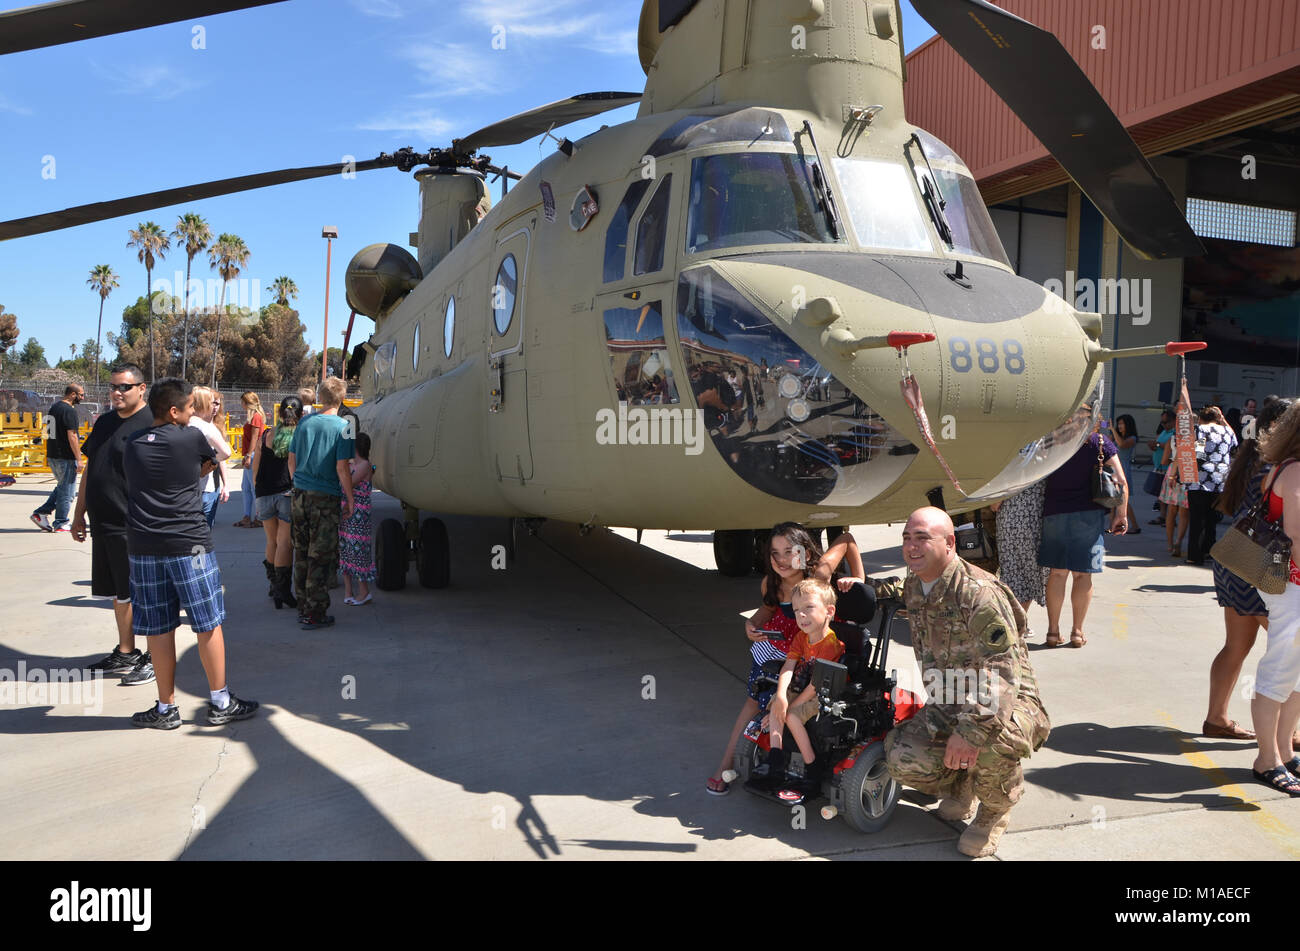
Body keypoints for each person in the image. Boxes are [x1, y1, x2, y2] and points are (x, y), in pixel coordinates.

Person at [884, 507, 1050, 857]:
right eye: (907, 538)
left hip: (1007, 704)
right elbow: (896, 590)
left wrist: (970, 733)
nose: (912, 547)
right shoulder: (917, 582)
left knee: (989, 745)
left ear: (950, 543)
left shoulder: (978, 593)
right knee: (901, 756)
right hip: (950, 697)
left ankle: (994, 809)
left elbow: (1001, 672)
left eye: (923, 538)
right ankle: (964, 785)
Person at [122, 378, 257, 729]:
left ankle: (166, 709)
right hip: (189, 542)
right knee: (208, 622)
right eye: (186, 409)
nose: (190, 415)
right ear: (173, 410)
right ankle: (220, 701)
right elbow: (217, 456)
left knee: (159, 629)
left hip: (144, 545)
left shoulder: (132, 444)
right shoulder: (191, 436)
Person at [705, 523, 864, 795]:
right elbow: (765, 611)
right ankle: (728, 761)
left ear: (806, 552)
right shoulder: (772, 583)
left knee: (787, 707)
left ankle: (794, 762)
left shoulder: (820, 575)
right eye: (774, 553)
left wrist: (860, 579)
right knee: (755, 701)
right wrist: (751, 624)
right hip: (785, 649)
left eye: (789, 552)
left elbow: (847, 539)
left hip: (815, 648)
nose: (781, 560)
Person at [1206, 397, 1295, 742]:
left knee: (1236, 645)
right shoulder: (1280, 466)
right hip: (1264, 566)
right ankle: (1285, 733)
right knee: (1289, 653)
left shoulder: (1249, 459)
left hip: (1237, 558)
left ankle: (1217, 717)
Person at [70, 365, 155, 684]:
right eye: (113, 387)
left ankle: (151, 656)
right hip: (103, 524)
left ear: (142, 388)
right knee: (121, 594)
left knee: (142, 593)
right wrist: (79, 513)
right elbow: (91, 469)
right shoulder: (105, 422)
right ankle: (127, 651)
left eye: (125, 387)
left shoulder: (151, 424)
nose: (117, 393)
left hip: (134, 525)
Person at [1248, 400, 1300, 794]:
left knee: (1296, 674)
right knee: (1280, 669)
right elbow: (1297, 534)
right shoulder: (1296, 470)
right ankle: (1267, 759)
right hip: (1292, 584)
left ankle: (1283, 749)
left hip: (1289, 583)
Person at [1039, 417, 1128, 647]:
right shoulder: (1100, 442)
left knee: (1057, 573)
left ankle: (1052, 632)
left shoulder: (1051, 440)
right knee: (1082, 575)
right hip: (1089, 515)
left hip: (1054, 512)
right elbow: (1120, 479)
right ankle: (1077, 633)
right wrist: (1121, 514)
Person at [764, 578, 846, 791]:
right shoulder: (801, 637)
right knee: (776, 705)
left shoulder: (831, 644)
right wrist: (781, 696)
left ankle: (812, 765)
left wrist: (789, 707)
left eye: (808, 608)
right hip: (802, 686)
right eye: (796, 610)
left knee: (790, 715)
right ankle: (776, 759)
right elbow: (788, 667)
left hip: (821, 692)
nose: (801, 615)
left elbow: (815, 685)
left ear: (829, 611)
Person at [288, 377, 355, 629]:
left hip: (300, 495)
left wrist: (298, 484)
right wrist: (349, 498)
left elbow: (291, 460)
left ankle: (304, 606)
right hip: (325, 497)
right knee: (320, 555)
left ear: (320, 396)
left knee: (302, 551)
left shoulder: (305, 422)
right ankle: (315, 613)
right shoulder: (344, 426)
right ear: (341, 399)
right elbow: (342, 469)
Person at [252, 396, 301, 610]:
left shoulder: (265, 436)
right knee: (285, 544)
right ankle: (283, 591)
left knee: (271, 542)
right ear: (300, 415)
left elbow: (255, 467)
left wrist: (257, 490)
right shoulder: (298, 437)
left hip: (264, 493)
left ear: (279, 413)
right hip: (286, 494)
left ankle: (274, 586)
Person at [991, 481, 1050, 632]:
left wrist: (995, 501)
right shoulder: (1043, 458)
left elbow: (996, 502)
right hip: (1038, 515)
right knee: (1030, 573)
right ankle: (1018, 624)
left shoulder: (1010, 459)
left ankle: (1015, 624)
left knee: (1014, 573)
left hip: (1010, 517)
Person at [1185, 405, 1237, 566]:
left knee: (1197, 519)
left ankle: (1195, 555)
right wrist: (1223, 419)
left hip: (1201, 479)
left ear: (1201, 418)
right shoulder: (1227, 431)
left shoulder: (1200, 429)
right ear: (1217, 418)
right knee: (1212, 518)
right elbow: (1235, 444)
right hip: (1220, 479)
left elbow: (1198, 453)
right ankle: (1209, 549)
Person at [31, 384, 84, 533]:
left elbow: (46, 430)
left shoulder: (54, 408)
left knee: (64, 487)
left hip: (53, 455)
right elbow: (72, 435)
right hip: (65, 456)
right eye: (81, 395)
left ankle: (41, 513)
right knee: (67, 491)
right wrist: (79, 458)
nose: (82, 398)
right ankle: (61, 522)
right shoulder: (69, 411)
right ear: (73, 394)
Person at [187, 387, 232, 530]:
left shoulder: (182, 422)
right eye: (211, 402)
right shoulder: (205, 427)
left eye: (216, 403)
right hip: (202, 489)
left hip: (192, 488)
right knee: (202, 536)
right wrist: (210, 462)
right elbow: (225, 453)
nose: (214, 406)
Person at [340, 431, 376, 606]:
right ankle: (348, 591)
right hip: (346, 511)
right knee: (345, 549)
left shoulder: (364, 465)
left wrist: (340, 470)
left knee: (358, 550)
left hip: (358, 512)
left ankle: (364, 591)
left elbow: (349, 483)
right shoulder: (351, 464)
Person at [234, 392, 265, 528]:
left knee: (253, 487)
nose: (241, 405)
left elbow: (255, 438)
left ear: (247, 403)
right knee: (246, 487)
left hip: (253, 456)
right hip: (250, 454)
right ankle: (247, 516)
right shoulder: (253, 417)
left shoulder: (256, 417)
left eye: (242, 402)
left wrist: (248, 456)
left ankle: (258, 517)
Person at [1107, 414, 1141, 534]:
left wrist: (1112, 430)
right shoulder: (1117, 436)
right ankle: (1112, 526)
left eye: (1122, 424)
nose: (1120, 426)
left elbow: (1122, 444)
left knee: (1123, 499)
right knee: (1112, 498)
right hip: (1114, 469)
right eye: (1119, 424)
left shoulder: (1132, 438)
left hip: (1123, 468)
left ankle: (1135, 525)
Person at [1159, 432, 1190, 557]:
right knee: (1184, 513)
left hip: (1173, 472)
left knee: (1171, 511)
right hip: (1188, 471)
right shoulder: (1196, 438)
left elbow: (1164, 460)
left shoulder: (1172, 439)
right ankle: (1179, 541)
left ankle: (1170, 544)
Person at [1147, 410, 1176, 525]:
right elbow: (1160, 445)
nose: (1163, 424)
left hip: (1168, 469)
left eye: (1166, 422)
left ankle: (1170, 519)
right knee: (1161, 495)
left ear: (1174, 421)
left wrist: (1158, 444)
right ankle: (1163, 516)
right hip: (1159, 467)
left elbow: (1171, 446)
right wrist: (1154, 446)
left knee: (1168, 496)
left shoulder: (1175, 432)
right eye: (1162, 422)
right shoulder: (1165, 431)